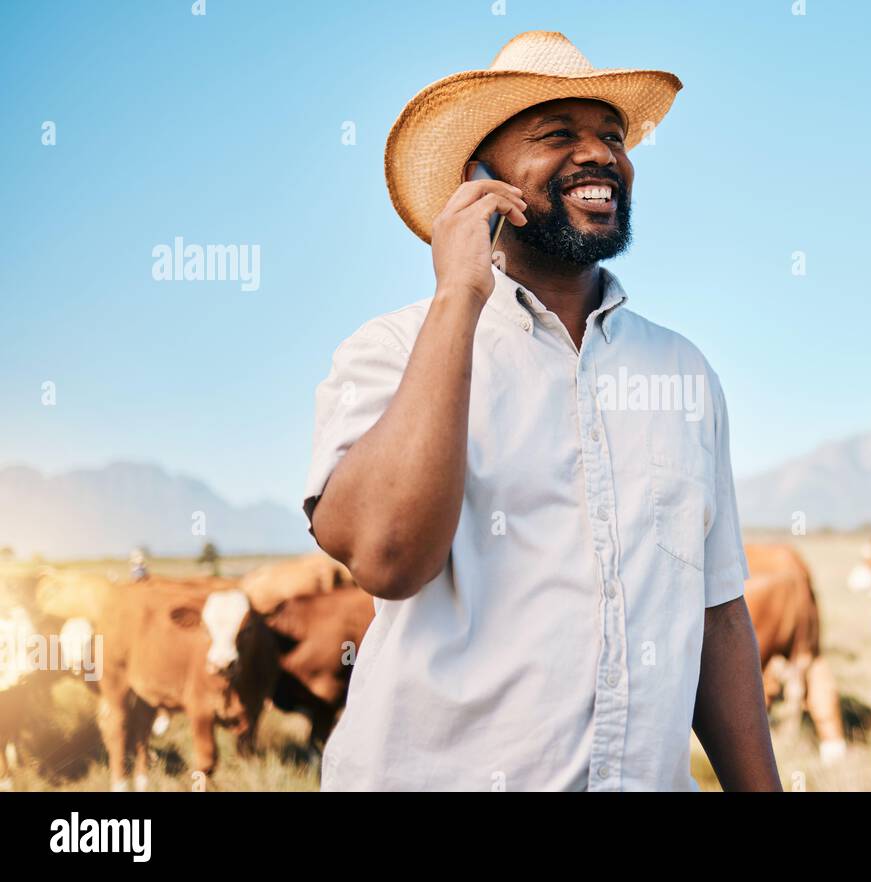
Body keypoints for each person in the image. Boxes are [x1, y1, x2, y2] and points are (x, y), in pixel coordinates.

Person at [304, 31, 779, 792]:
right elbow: (387, 559)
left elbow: (717, 617)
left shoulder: (682, 372)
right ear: (479, 180)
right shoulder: (390, 350)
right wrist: (459, 294)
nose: (600, 155)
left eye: (613, 138)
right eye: (558, 135)